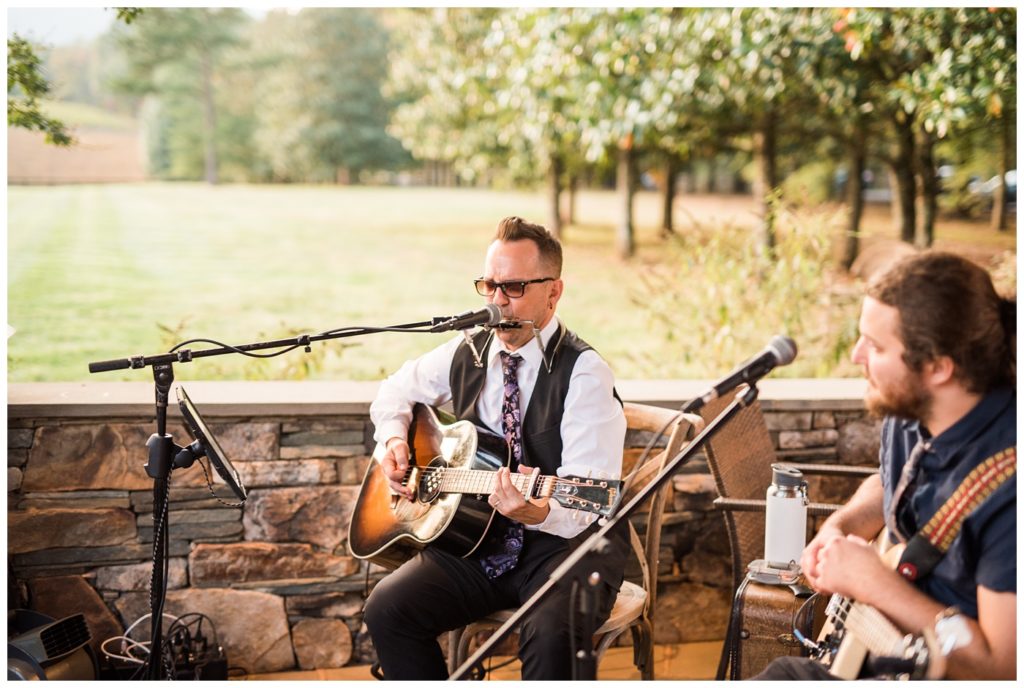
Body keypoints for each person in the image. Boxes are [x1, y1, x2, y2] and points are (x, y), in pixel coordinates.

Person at [362, 216, 628, 680]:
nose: (497, 301)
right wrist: (393, 441)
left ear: (554, 291)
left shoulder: (584, 373)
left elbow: (589, 500)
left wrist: (537, 513)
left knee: (550, 635)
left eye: (514, 287)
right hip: (478, 541)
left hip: (566, 546)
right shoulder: (468, 351)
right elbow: (393, 392)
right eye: (489, 285)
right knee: (388, 609)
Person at [753, 251, 1016, 680]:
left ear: (937, 367)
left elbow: (1002, 667)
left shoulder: (1009, 490)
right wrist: (841, 525)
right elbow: (889, 481)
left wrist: (874, 583)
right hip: (877, 652)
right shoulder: (909, 410)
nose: (856, 355)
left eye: (874, 346)